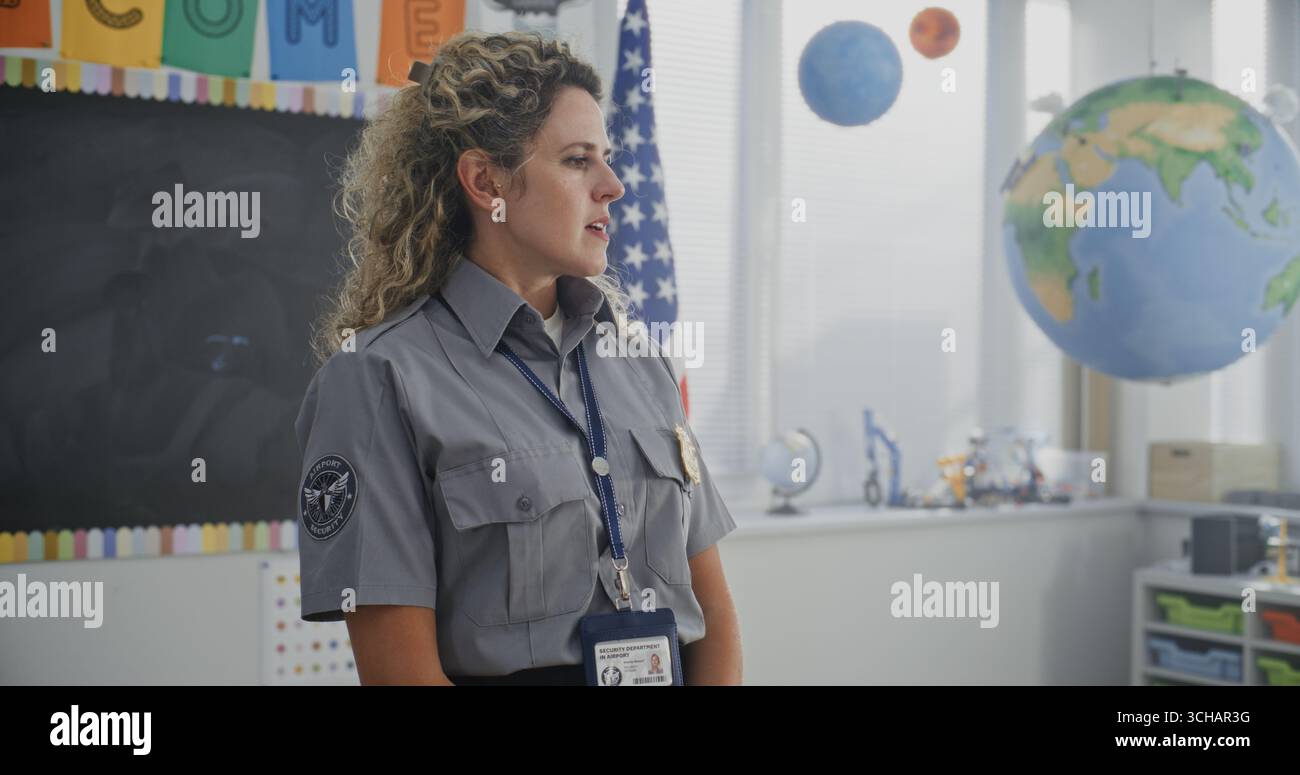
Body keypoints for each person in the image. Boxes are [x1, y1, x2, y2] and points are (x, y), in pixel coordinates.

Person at [295, 30, 742, 685]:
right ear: (486, 181)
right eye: (577, 160)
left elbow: (715, 612)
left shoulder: (639, 362)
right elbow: (401, 676)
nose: (613, 185)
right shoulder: (377, 378)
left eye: (608, 158)